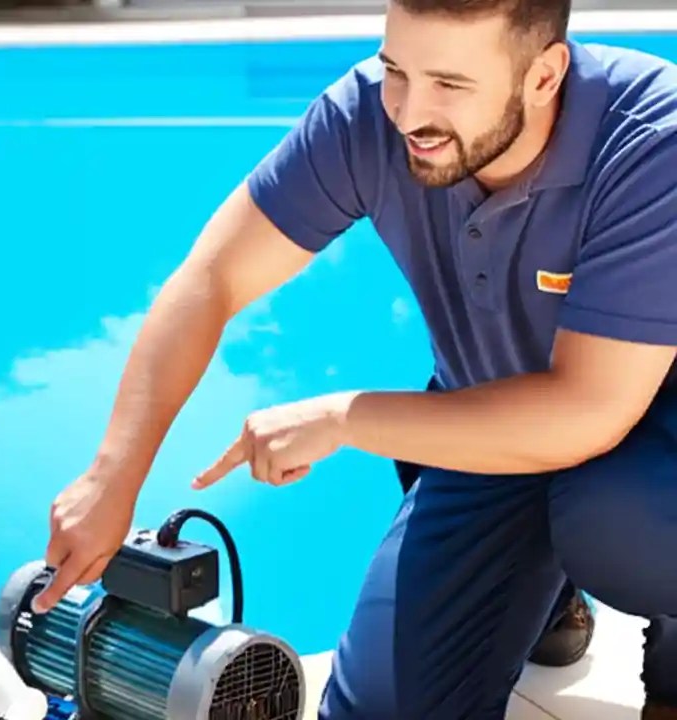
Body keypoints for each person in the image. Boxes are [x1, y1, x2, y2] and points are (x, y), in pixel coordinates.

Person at [35, 0, 677, 717]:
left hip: (651, 439)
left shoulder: (653, 142)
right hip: (496, 424)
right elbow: (211, 278)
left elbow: (587, 410)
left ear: (543, 76)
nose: (408, 112)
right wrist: (112, 474)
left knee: (624, 520)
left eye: (450, 85)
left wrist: (346, 419)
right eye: (396, 69)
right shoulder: (366, 115)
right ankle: (544, 593)